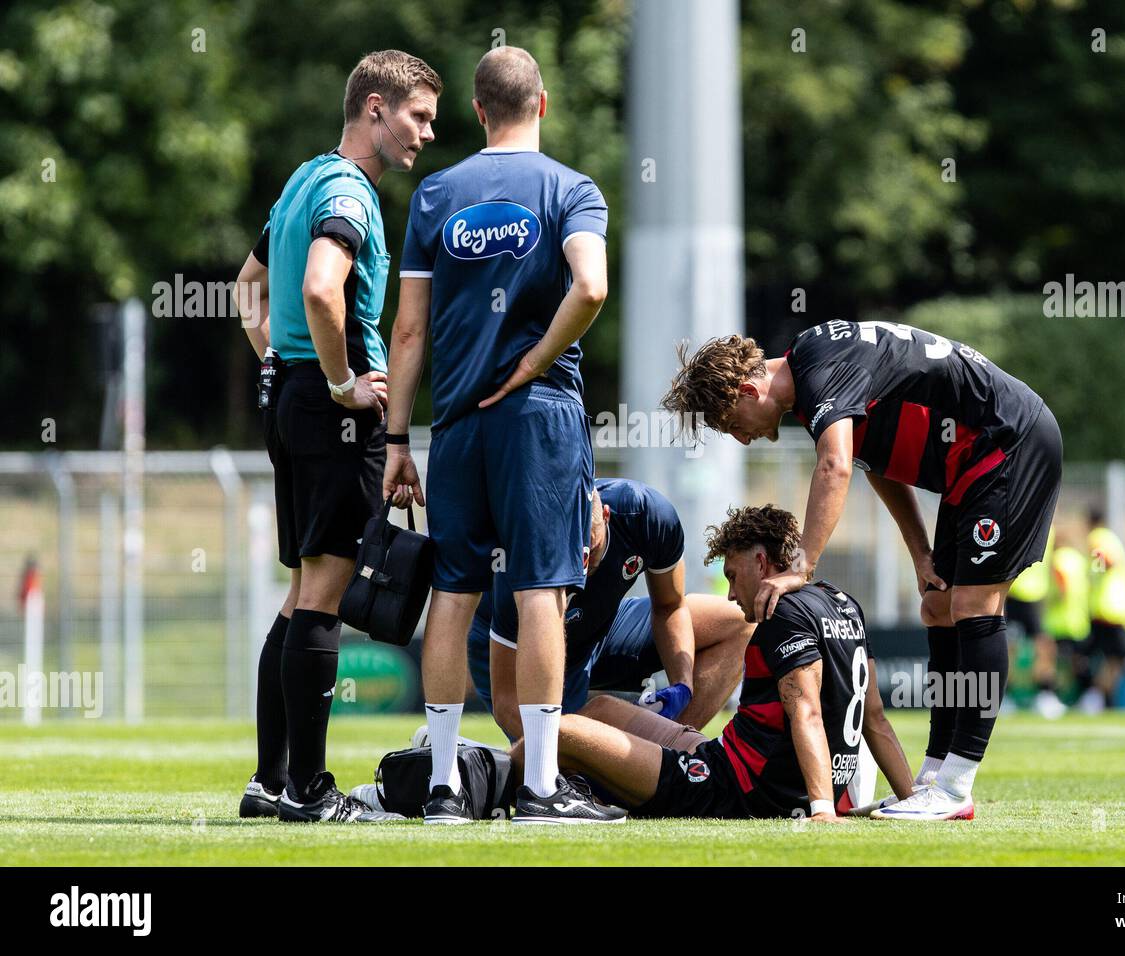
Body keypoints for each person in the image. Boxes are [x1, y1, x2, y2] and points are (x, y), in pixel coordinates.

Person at [663, 320, 1061, 821]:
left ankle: (956, 785)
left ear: (748, 389)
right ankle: (933, 780)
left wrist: (800, 567)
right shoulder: (820, 379)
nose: (741, 440)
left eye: (732, 423)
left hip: (1007, 441)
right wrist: (920, 550)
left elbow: (837, 467)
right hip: (971, 459)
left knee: (973, 606)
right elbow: (877, 462)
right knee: (938, 605)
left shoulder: (818, 366)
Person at [381, 46, 615, 824]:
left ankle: (443, 784)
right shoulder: (571, 190)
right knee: (541, 591)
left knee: (453, 594)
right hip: (538, 418)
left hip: (454, 426)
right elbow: (591, 286)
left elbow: (407, 333)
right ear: (542, 103)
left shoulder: (436, 193)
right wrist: (535, 361)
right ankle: (544, 787)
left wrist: (396, 440)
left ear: (479, 111)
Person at [232, 50, 440, 822]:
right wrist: (342, 381)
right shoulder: (349, 190)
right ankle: (310, 793)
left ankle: (269, 781)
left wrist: (287, 372)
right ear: (376, 107)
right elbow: (323, 286)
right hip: (333, 410)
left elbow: (245, 289)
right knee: (322, 594)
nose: (424, 136)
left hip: (291, 401)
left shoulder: (301, 179)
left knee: (299, 595)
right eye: (418, 117)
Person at [506, 505, 915, 822]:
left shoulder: (782, 612)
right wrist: (913, 802)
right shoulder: (843, 603)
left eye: (734, 576)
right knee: (601, 711)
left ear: (761, 562)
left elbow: (805, 712)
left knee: (556, 733)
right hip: (733, 759)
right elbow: (875, 719)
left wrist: (823, 808)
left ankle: (485, 780)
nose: (733, 594)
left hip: (733, 787)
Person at [469, 479, 753, 737]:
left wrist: (682, 686)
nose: (582, 564)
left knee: (738, 622)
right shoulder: (523, 553)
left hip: (601, 627)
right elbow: (507, 702)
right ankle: (462, 757)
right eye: (572, 553)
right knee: (555, 766)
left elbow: (670, 606)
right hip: (523, 650)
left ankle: (665, 755)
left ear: (605, 516)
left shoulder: (645, 515)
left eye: (589, 549)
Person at [1081, 509, 1125, 712]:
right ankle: (1097, 698)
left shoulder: (1097, 537)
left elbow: (1105, 561)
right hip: (1112, 608)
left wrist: (1096, 570)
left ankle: (1095, 697)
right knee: (1113, 658)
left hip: (1106, 607)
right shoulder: (1111, 538)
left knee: (1115, 657)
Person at [1007, 528, 1060, 717]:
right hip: (1019, 593)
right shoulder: (1029, 514)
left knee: (1039, 648)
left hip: (1032, 595)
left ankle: (1044, 696)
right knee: (1013, 649)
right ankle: (1007, 698)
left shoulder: (1049, 525)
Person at [1042, 529, 1090, 708]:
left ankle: (1049, 697)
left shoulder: (1058, 558)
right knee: (1077, 662)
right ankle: (1084, 697)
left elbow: (1062, 581)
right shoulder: (1078, 559)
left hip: (1059, 621)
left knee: (1049, 661)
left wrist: (1056, 598)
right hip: (1078, 620)